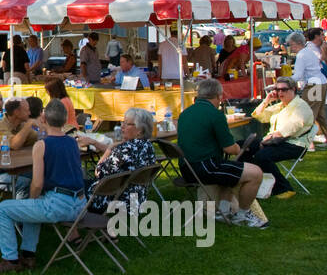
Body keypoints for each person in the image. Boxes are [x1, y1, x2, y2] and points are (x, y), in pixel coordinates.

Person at [0, 99, 88, 274]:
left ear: (44, 119)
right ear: (65, 120)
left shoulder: (42, 145)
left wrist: (33, 199)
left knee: (4, 208)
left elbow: (37, 183)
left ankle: (10, 259)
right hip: (80, 205)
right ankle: (28, 254)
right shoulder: (73, 143)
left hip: (59, 206)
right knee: (32, 206)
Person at [175, 78, 266, 227]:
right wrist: (240, 148)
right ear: (219, 96)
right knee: (256, 173)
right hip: (205, 167)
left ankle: (223, 212)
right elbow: (229, 148)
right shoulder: (215, 114)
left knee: (229, 170)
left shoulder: (185, 113)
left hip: (186, 167)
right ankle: (242, 214)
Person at [240, 77, 312, 199]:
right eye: (277, 90)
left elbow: (295, 124)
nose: (280, 93)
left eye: (284, 89)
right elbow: (259, 116)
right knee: (243, 146)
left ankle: (284, 188)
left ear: (293, 89)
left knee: (262, 156)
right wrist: (267, 100)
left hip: (294, 144)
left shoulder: (301, 106)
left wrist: (272, 136)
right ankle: (245, 181)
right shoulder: (280, 106)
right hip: (274, 141)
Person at [89, 108, 157, 215]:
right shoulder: (148, 146)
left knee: (75, 187)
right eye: (122, 122)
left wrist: (109, 149)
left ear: (139, 130)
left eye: (127, 124)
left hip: (113, 201)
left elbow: (98, 172)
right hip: (137, 201)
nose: (122, 126)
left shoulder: (123, 150)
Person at [0, 99, 35, 198]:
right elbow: (14, 144)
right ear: (16, 112)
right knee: (25, 183)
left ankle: (36, 207)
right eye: (27, 110)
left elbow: (38, 139)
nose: (30, 113)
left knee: (42, 174)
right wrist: (29, 125)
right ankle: (18, 212)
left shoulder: (20, 126)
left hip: (16, 169)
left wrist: (45, 127)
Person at [292, 29, 327, 148]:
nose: (291, 48)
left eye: (292, 45)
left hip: (313, 85)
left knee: (308, 113)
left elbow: (298, 75)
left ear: (298, 43)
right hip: (321, 83)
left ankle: (309, 143)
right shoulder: (311, 51)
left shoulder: (303, 53)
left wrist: (285, 80)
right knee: (319, 114)